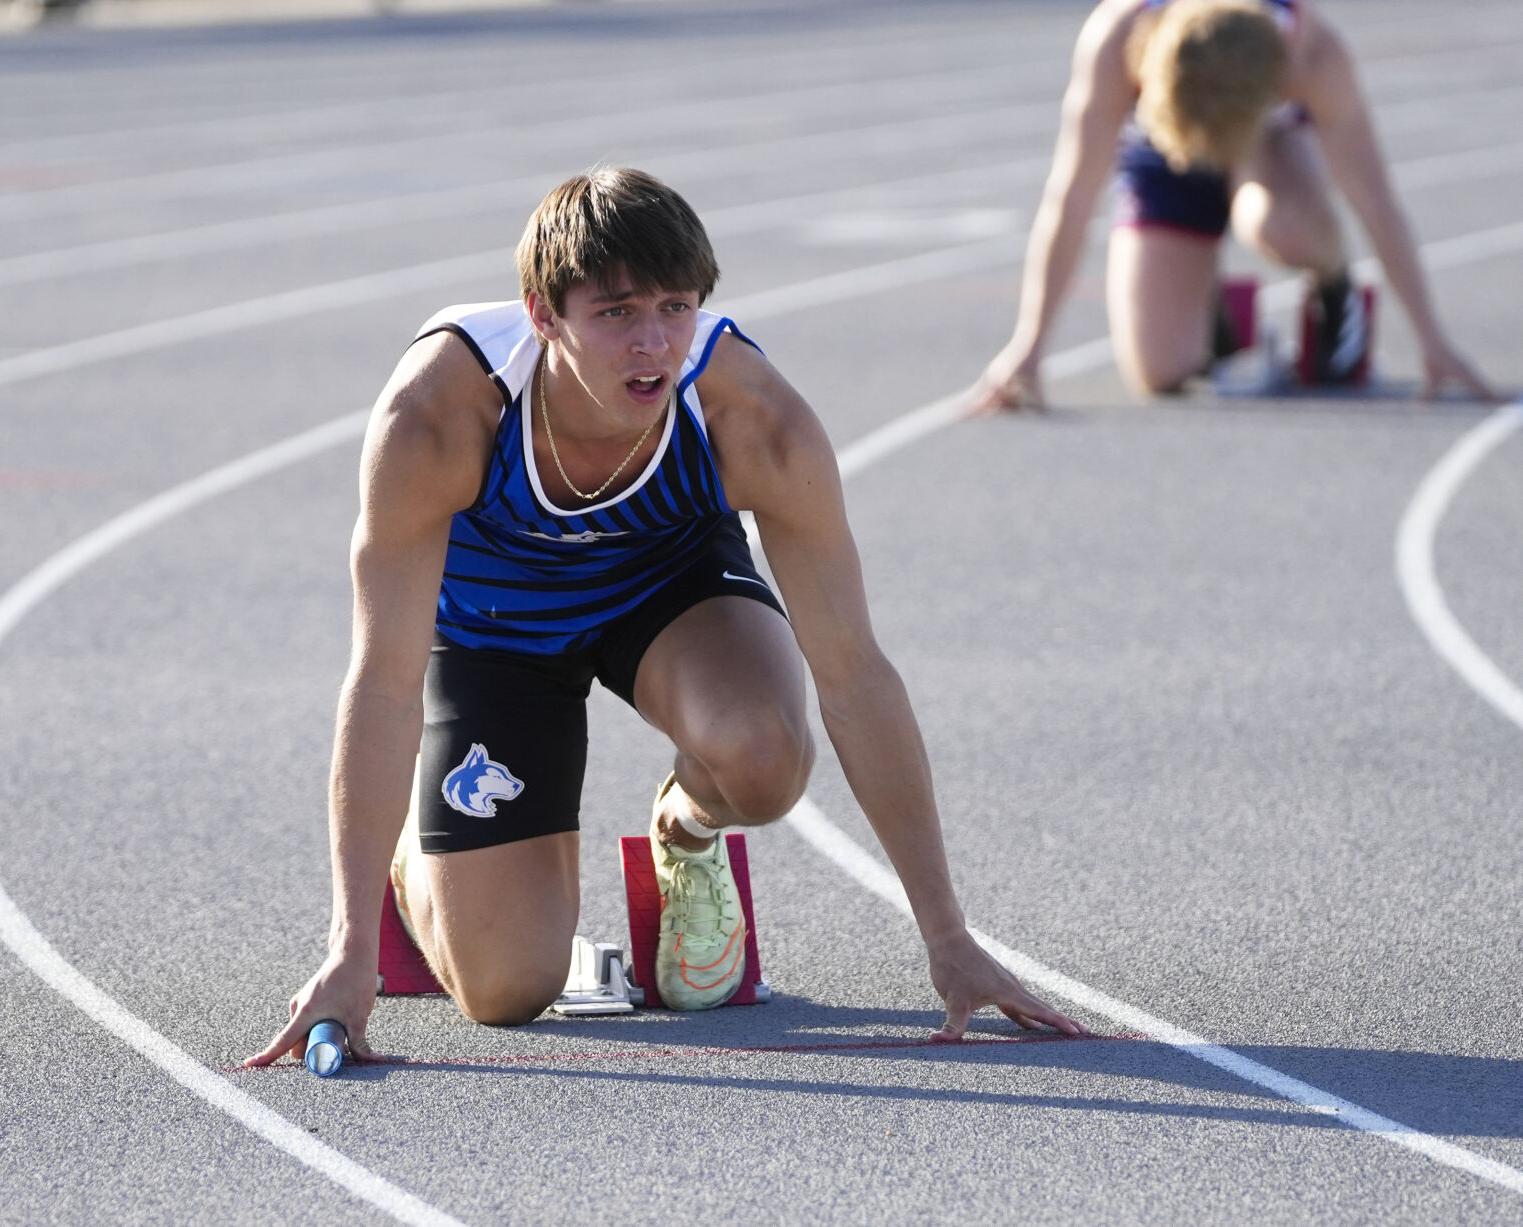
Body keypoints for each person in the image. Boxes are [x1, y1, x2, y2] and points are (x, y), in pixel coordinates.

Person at [247, 168, 1084, 1066]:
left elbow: (855, 674)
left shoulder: (754, 421)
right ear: (542, 315)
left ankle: (682, 834)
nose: (652, 344)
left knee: (767, 758)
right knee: (504, 990)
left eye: (675, 308)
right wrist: (348, 951)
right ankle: (417, 865)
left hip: (665, 588)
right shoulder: (439, 417)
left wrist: (948, 939)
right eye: (614, 314)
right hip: (496, 626)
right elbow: (381, 678)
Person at [967, 0, 1496, 408]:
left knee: (1283, 227)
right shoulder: (1117, 39)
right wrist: (1029, 348)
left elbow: (1375, 200)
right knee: (1161, 371)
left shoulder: (1310, 53)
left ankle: (1335, 290)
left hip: (1268, 143)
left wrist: (1433, 341)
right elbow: (1071, 196)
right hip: (1165, 152)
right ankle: (1213, 309)